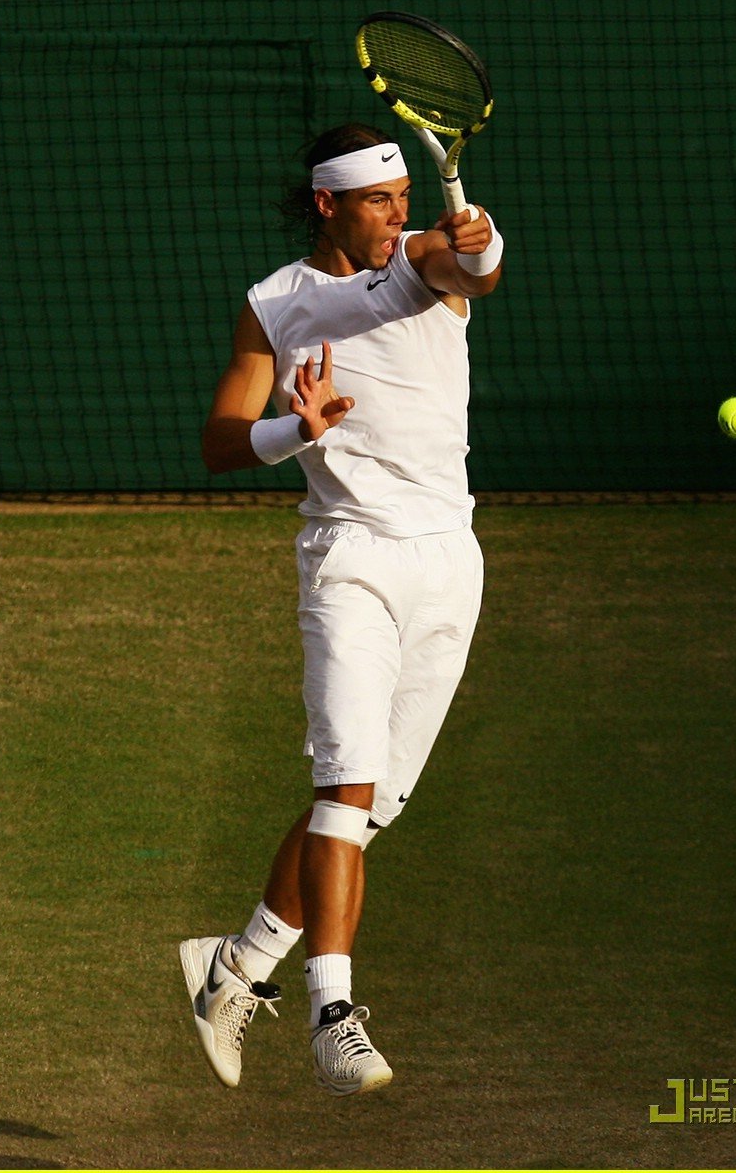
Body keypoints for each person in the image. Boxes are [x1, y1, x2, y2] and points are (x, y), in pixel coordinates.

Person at [180, 122, 503, 1096]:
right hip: (348, 560)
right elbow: (222, 442)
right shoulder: (273, 305)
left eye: (405, 196)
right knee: (347, 781)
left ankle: (234, 966)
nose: (398, 214)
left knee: (374, 805)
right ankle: (332, 1011)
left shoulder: (423, 261)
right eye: (376, 200)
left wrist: (480, 244)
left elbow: (472, 270)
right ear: (327, 203)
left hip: (449, 560)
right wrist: (295, 425)